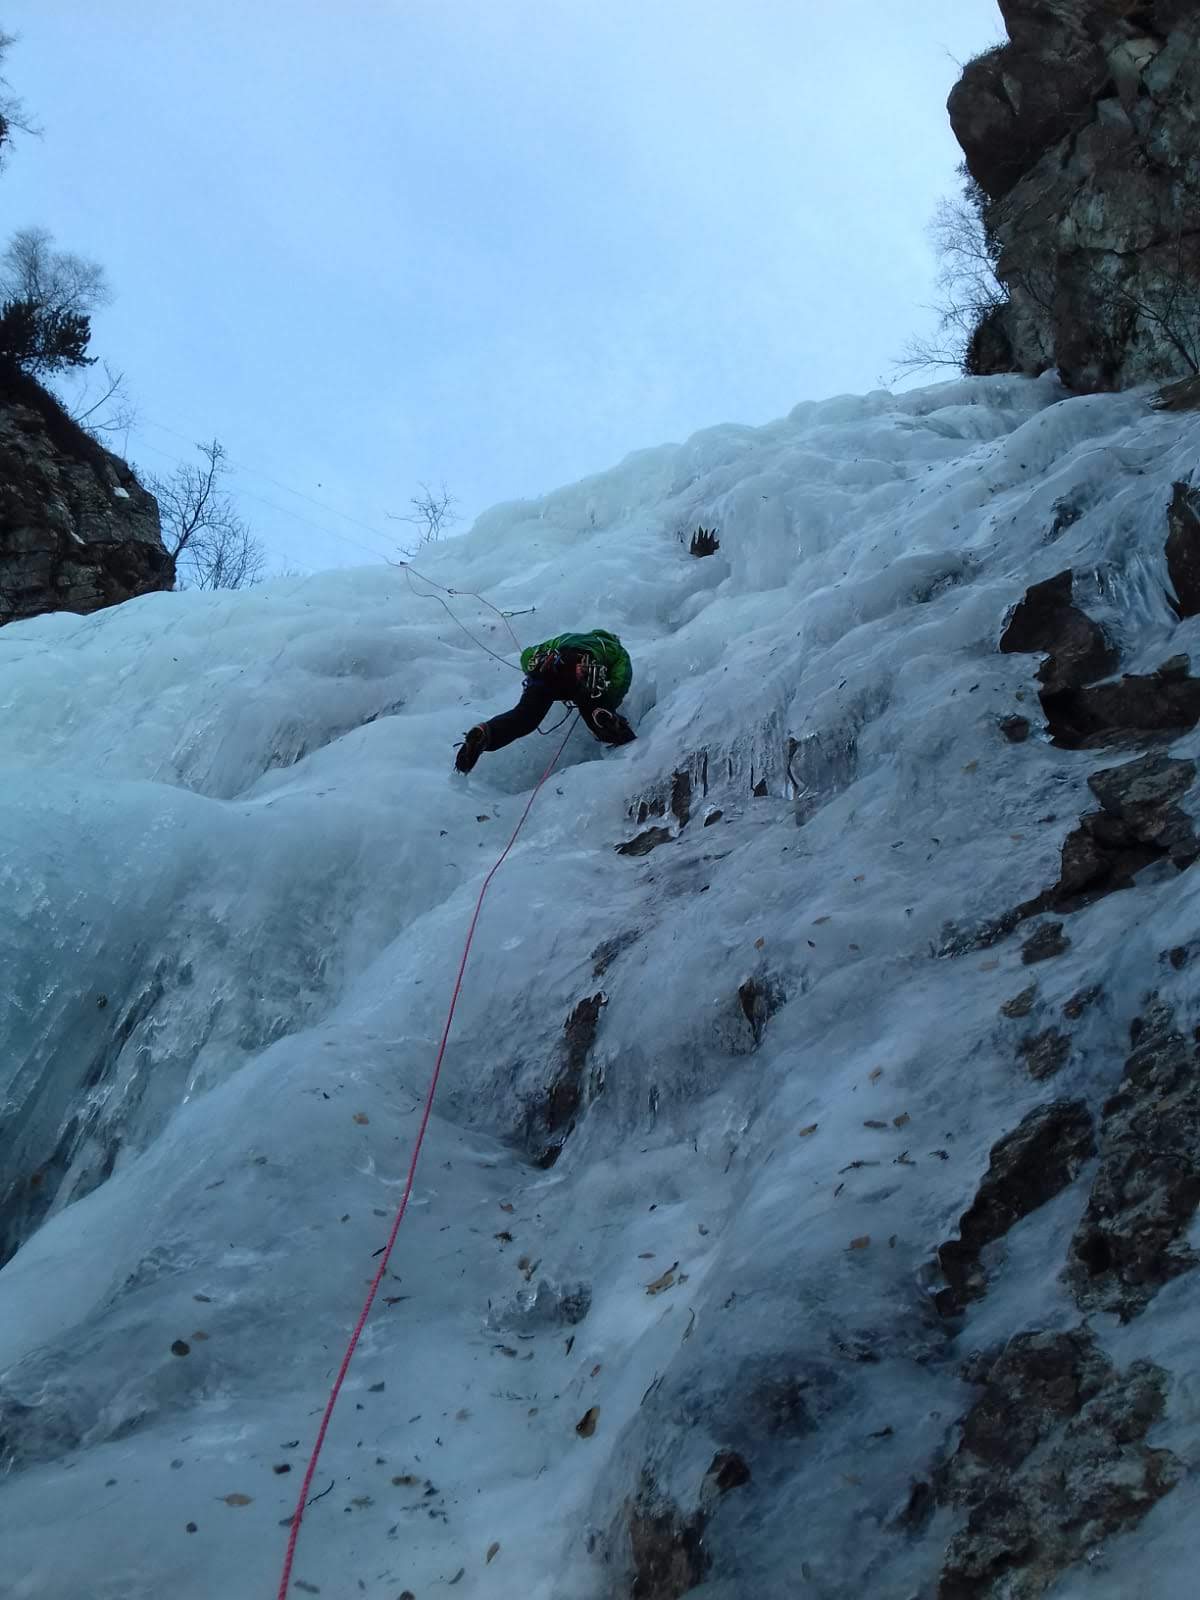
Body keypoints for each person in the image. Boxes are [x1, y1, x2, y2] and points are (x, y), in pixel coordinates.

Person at [455, 629, 635, 773]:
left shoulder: (567, 637)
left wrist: (531, 669)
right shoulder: (616, 649)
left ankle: (486, 733)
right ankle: (604, 718)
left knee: (523, 718)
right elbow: (622, 678)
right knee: (593, 706)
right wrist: (609, 702)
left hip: (549, 671)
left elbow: (528, 654)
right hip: (583, 672)